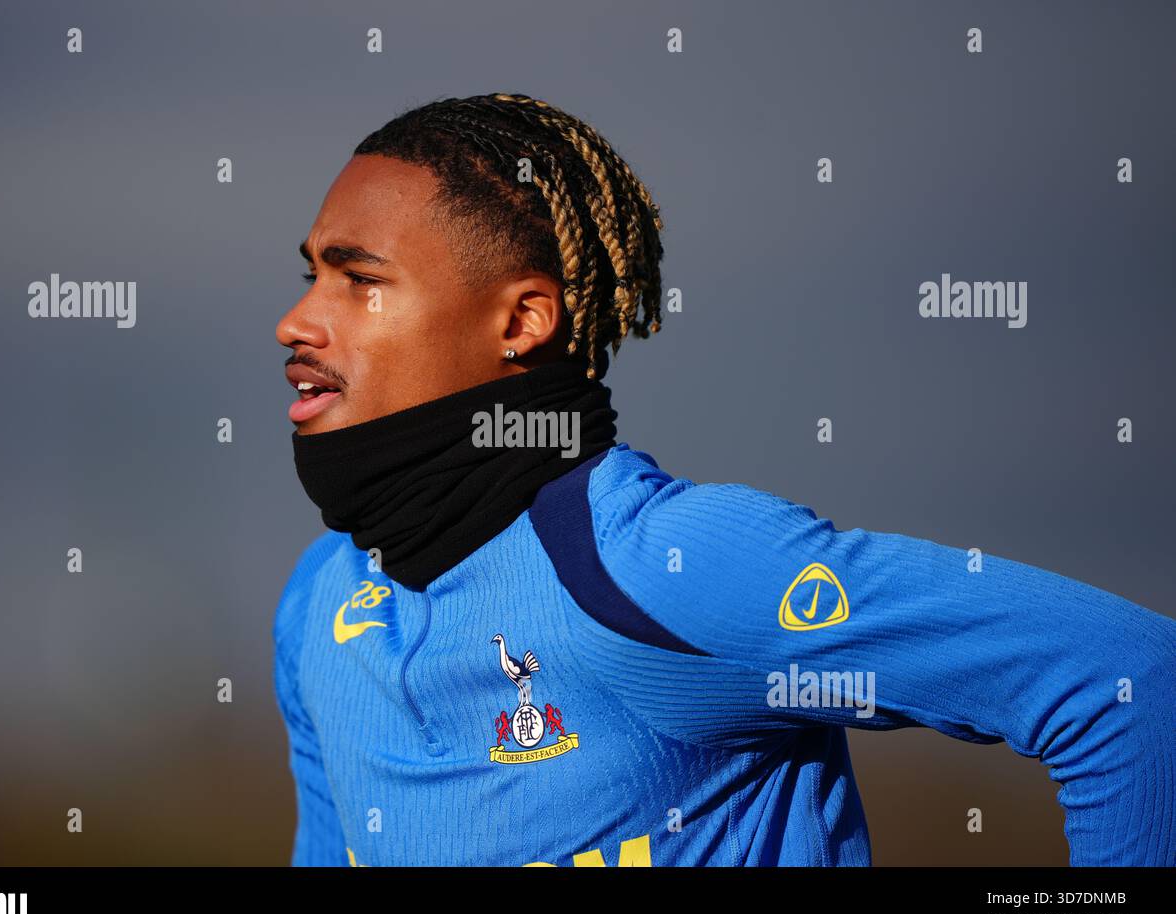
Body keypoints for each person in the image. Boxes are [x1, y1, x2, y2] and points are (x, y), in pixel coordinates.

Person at [272, 92, 1174, 866]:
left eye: (360, 281)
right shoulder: (322, 601)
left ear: (523, 319)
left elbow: (1128, 685)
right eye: (313, 274)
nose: (296, 320)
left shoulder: (657, 569)